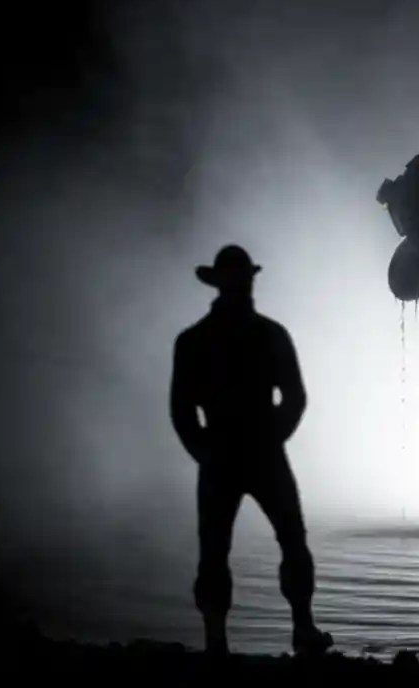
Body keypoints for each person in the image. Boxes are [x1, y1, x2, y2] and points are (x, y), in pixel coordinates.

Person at [169, 244, 333, 656]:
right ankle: (299, 629)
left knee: (224, 548)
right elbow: (293, 397)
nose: (245, 286)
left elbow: (183, 409)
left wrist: (204, 450)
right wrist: (271, 437)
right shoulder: (265, 335)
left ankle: (221, 639)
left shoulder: (195, 340)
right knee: (285, 541)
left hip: (228, 452)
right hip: (255, 451)